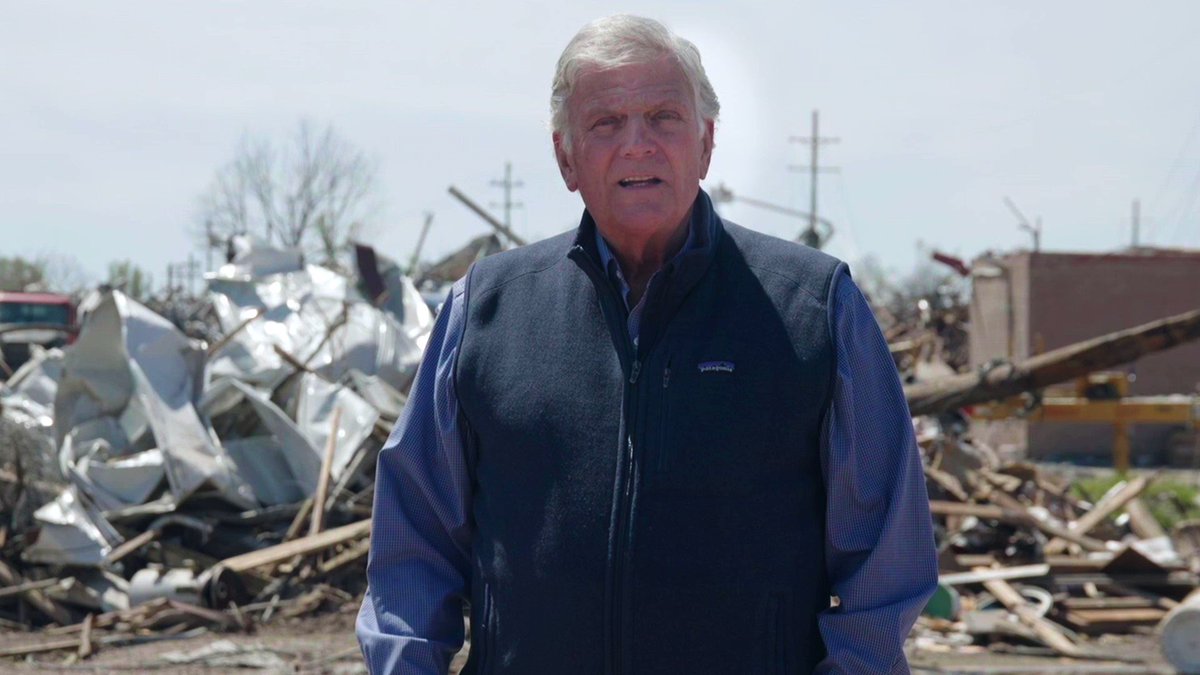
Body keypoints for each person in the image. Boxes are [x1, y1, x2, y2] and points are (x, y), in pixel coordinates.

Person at [357, 14, 936, 674]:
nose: (638, 144)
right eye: (606, 122)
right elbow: (415, 548)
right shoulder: (486, 309)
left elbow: (884, 568)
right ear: (566, 156)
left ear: (706, 143)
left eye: (664, 116)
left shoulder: (813, 307)